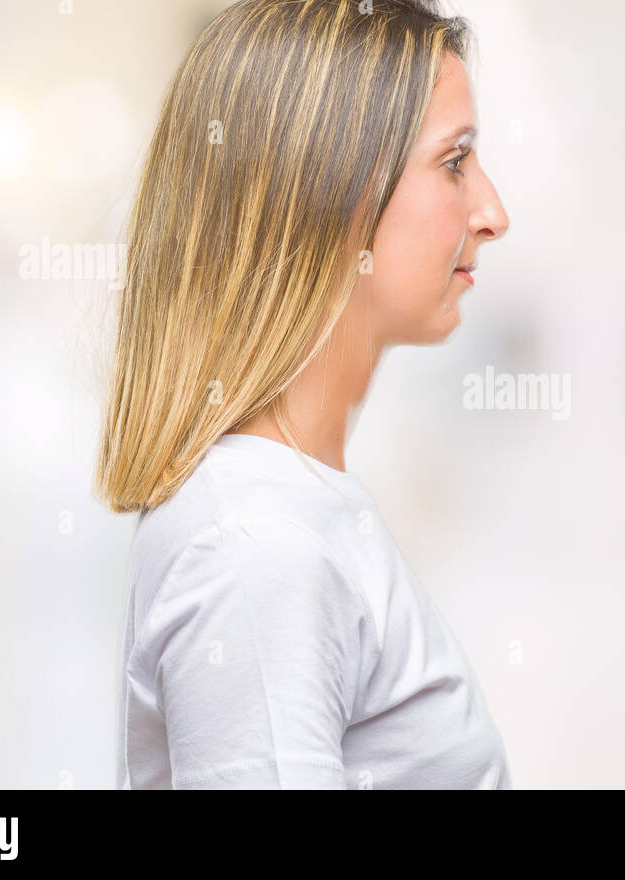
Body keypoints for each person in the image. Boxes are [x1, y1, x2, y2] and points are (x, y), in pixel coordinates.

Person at [94, 0, 511, 789]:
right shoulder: (257, 547)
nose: (492, 214)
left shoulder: (293, 509)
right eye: (454, 162)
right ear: (329, 192)